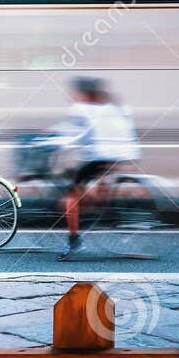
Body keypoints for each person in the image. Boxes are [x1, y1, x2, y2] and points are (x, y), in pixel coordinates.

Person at [52, 76, 142, 260]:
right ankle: (102, 204)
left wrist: (55, 142)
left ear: (84, 93)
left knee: (71, 193)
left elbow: (75, 136)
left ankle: (74, 240)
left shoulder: (81, 109)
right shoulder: (117, 107)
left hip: (100, 155)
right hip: (125, 154)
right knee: (96, 178)